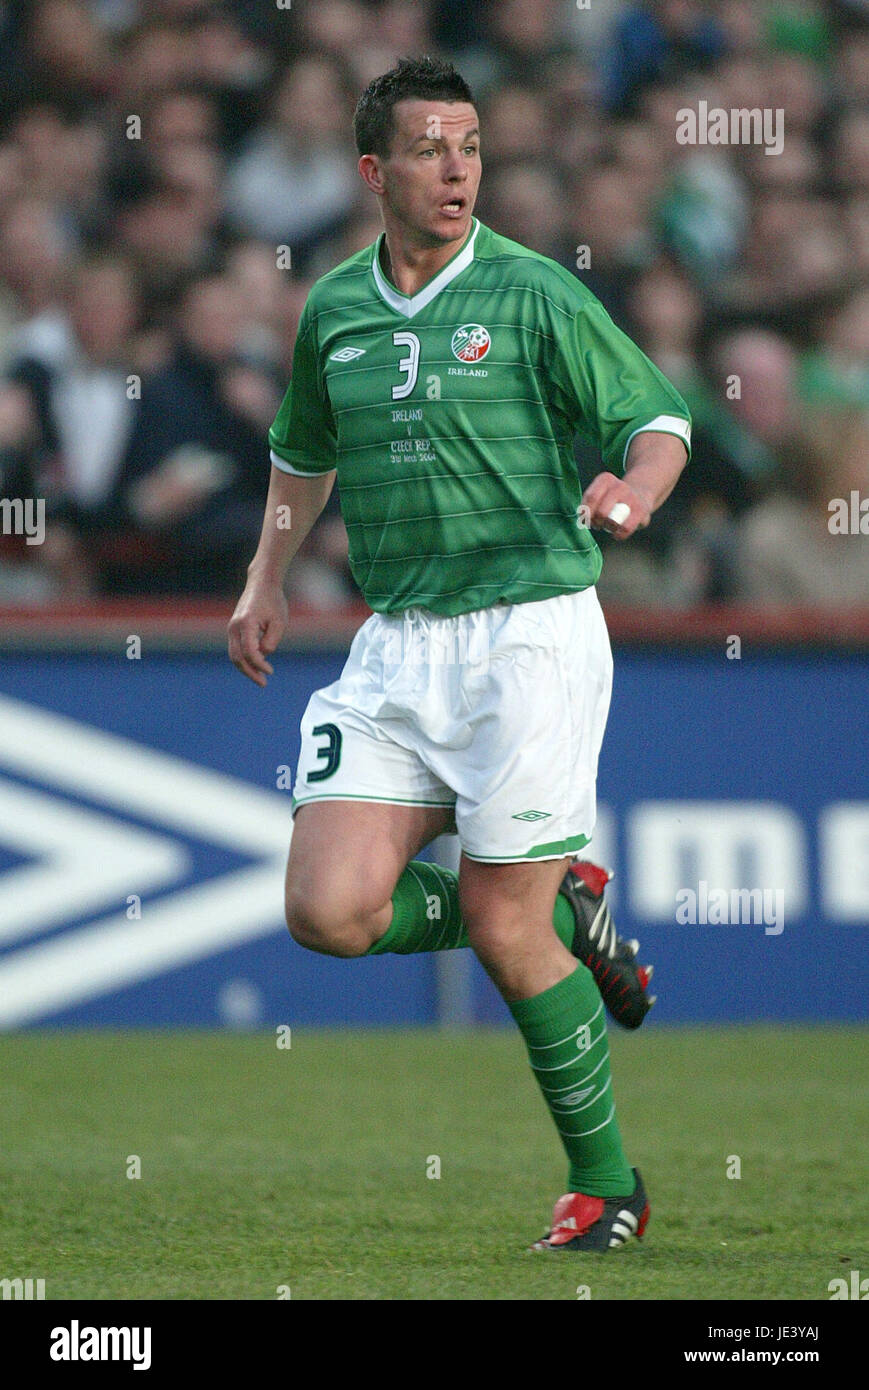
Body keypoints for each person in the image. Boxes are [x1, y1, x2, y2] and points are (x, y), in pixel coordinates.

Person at [228, 58, 691, 1253]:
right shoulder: (331, 307)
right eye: (431, 149)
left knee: (498, 923)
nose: (456, 169)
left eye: (472, 147)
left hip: (529, 631)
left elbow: (657, 421)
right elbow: (301, 450)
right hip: (397, 644)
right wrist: (266, 576)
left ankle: (608, 1189)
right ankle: (560, 899)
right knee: (326, 910)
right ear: (375, 171)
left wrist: (631, 492)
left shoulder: (535, 293)